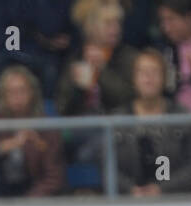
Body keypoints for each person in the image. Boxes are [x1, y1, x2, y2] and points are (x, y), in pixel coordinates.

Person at [115, 47, 191, 194]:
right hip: (128, 204)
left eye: (154, 72)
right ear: (133, 78)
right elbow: (107, 167)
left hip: (175, 202)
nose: (149, 77)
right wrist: (131, 190)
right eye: (143, 72)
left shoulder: (183, 118)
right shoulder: (117, 120)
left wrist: (162, 189)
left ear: (164, 78)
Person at [0, 65, 66, 197]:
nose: (17, 97)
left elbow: (53, 178)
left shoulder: (46, 128)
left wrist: (25, 204)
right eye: (11, 92)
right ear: (3, 96)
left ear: (32, 93)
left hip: (30, 192)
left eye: (22, 91)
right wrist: (5, 145)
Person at [57, 0, 138, 163]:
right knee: (54, 140)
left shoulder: (129, 57)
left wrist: (102, 72)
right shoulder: (76, 57)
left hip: (117, 127)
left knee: (97, 147)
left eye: (117, 23)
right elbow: (63, 107)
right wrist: (76, 86)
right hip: (81, 128)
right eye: (108, 24)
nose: (115, 29)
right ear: (91, 26)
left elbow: (129, 99)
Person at [156, 0, 191, 111]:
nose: (165, 27)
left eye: (171, 20)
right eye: (163, 21)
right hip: (174, 119)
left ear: (189, 18)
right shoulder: (164, 46)